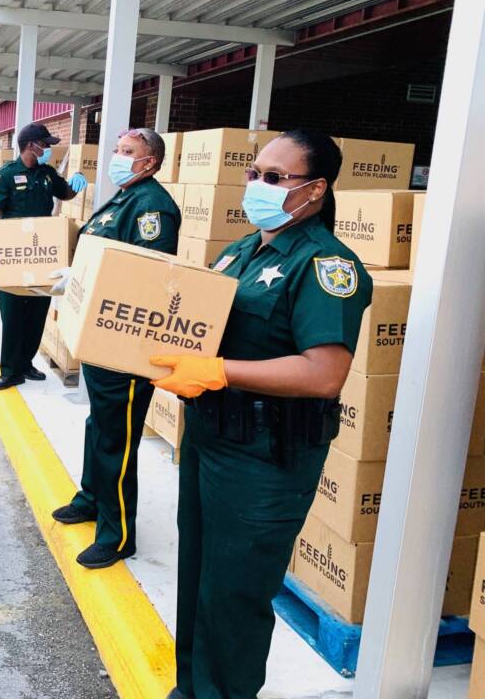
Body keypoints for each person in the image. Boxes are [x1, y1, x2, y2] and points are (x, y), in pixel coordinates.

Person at [151, 130, 372, 699]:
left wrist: (222, 371)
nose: (257, 185)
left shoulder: (327, 265)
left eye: (275, 178)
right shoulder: (242, 250)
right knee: (200, 576)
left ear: (315, 189)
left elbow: (324, 373)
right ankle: (192, 688)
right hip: (209, 438)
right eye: (253, 174)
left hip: (264, 458)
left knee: (235, 594)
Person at [50, 128, 182, 569]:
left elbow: (146, 274)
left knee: (117, 440)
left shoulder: (153, 206)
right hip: (102, 335)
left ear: (149, 163)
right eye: (117, 150)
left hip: (125, 344)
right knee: (99, 425)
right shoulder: (126, 198)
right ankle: (91, 498)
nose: (117, 157)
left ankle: (118, 533)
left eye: (128, 152)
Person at [0, 123, 79, 391]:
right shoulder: (4, 176)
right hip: (14, 254)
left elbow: (66, 193)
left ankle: (25, 364)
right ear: (31, 145)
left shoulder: (47, 173)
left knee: (37, 313)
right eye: (45, 144)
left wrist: (77, 184)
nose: (48, 149)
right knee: (13, 315)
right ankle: (9, 371)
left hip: (43, 253)